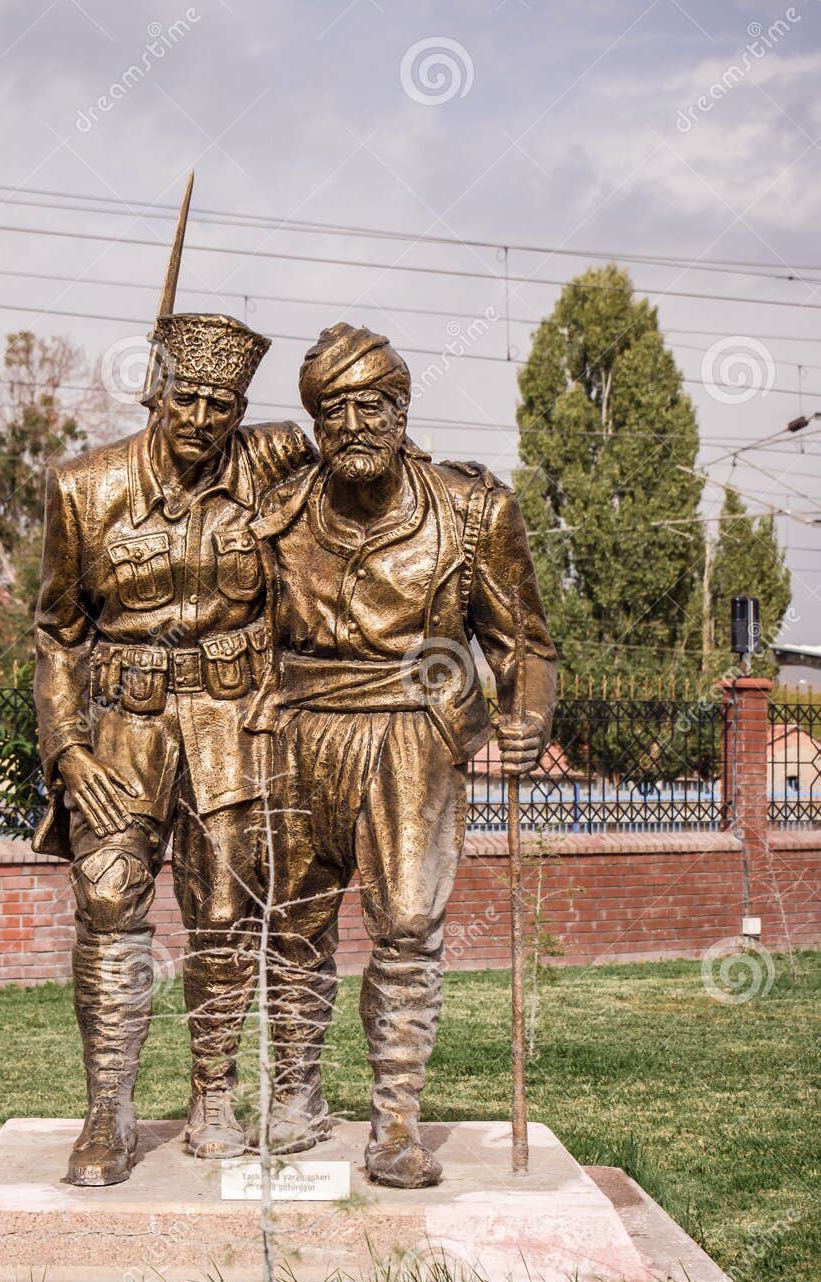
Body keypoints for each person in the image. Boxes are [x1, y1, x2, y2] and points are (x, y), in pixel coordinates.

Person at [247, 323, 557, 1188]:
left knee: (409, 930)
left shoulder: (470, 510)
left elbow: (523, 644)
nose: (352, 423)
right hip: (298, 733)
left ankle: (394, 1124)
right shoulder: (276, 512)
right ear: (313, 422)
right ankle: (296, 1100)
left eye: (370, 405)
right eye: (332, 408)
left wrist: (524, 712)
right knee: (292, 925)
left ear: (400, 410)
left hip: (414, 735)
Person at [33, 312, 313, 1185]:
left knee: (225, 917)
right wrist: (68, 751)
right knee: (109, 902)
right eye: (185, 397)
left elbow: (352, 465)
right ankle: (107, 1112)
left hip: (233, 726)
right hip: (122, 732)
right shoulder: (84, 488)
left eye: (221, 403)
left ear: (239, 408)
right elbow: (55, 632)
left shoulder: (270, 465)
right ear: (155, 391)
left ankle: (214, 1092)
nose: (200, 417)